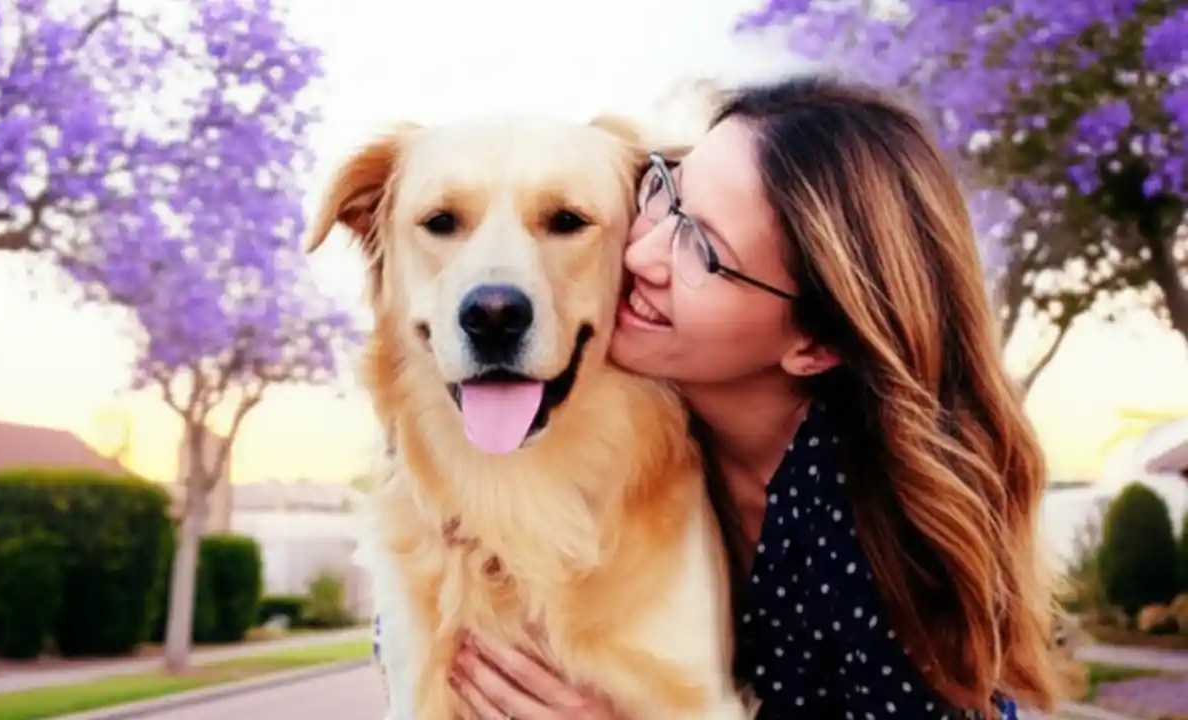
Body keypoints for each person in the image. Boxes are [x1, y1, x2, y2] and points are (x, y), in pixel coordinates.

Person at [446, 75, 1062, 719]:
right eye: (666, 192)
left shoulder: (876, 545)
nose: (645, 251)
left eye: (705, 250)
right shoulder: (615, 409)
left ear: (815, 343)